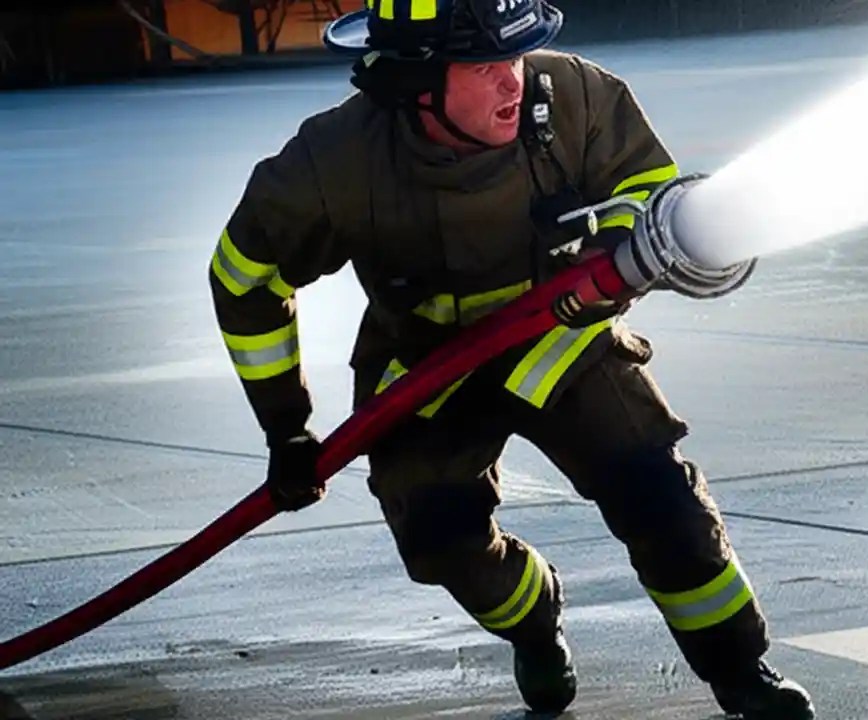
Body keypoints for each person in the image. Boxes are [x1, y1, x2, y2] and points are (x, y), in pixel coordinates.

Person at [208, 1, 814, 717]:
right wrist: (286, 428)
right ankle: (535, 620)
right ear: (419, 82)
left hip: (562, 341)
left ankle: (741, 674)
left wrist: (613, 250)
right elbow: (244, 278)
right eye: (485, 66)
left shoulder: (576, 96)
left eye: (517, 59)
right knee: (440, 542)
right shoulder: (334, 161)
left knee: (655, 489)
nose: (513, 84)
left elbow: (646, 189)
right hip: (425, 371)